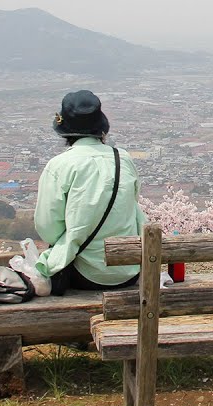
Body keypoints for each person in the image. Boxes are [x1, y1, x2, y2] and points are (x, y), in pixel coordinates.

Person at [32, 90, 146, 291]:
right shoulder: (123, 159)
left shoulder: (60, 165)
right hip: (129, 270)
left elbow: (48, 228)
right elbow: (132, 205)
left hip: (84, 274)